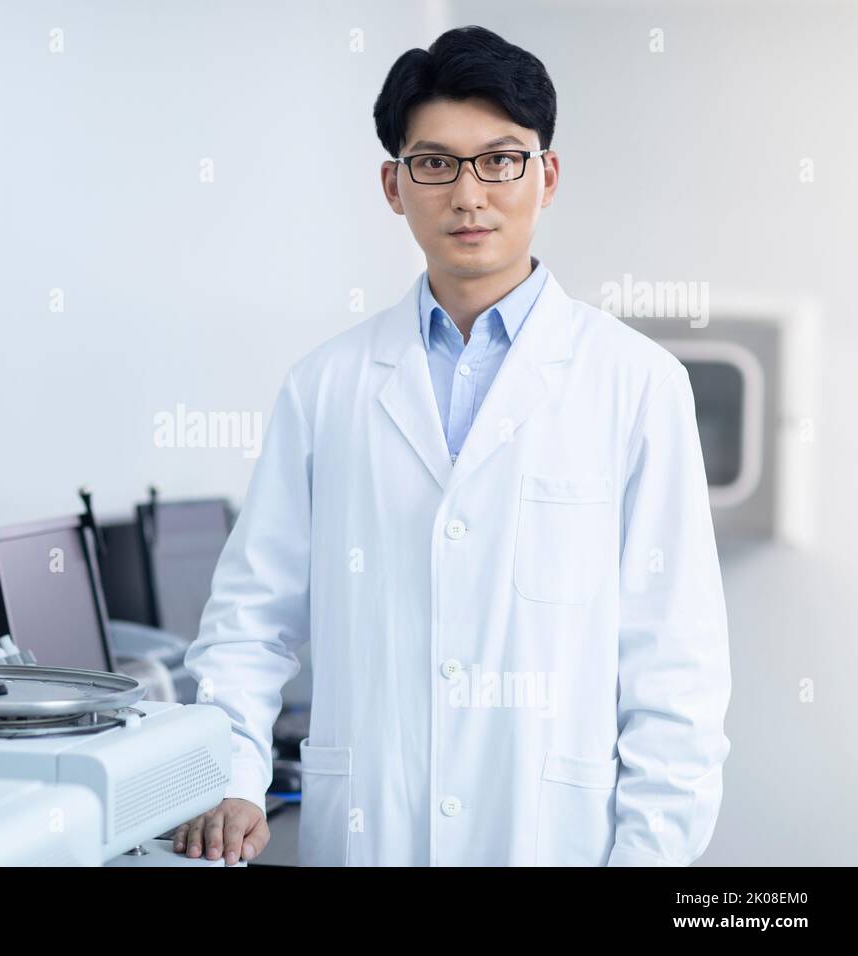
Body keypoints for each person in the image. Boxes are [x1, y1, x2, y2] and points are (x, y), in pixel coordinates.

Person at [172, 25, 731, 866]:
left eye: (500, 159)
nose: (469, 194)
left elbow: (675, 669)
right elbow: (249, 622)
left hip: (555, 837)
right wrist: (239, 776)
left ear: (546, 175)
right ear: (395, 186)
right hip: (370, 830)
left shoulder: (638, 385)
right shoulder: (326, 386)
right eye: (435, 163)